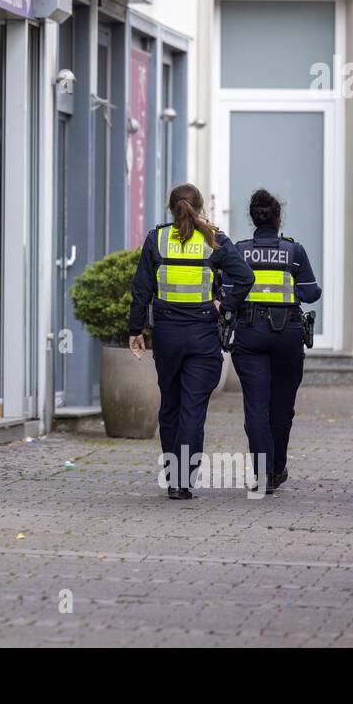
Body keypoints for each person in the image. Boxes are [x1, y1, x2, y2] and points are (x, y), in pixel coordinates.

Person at [129, 184, 254, 499]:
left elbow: (141, 288)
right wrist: (223, 303)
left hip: (168, 335)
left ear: (170, 208)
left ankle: (173, 477)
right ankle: (182, 480)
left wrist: (135, 331)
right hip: (201, 336)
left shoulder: (156, 239)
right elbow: (245, 277)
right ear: (199, 207)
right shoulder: (214, 239)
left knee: (170, 404)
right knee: (192, 409)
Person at [231, 189, 322, 494]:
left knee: (256, 407)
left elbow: (226, 290)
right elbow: (311, 293)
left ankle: (262, 473)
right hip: (287, 335)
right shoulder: (293, 252)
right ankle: (277, 468)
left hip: (249, 332)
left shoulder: (240, 250)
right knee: (282, 407)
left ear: (252, 217)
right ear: (278, 216)